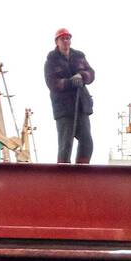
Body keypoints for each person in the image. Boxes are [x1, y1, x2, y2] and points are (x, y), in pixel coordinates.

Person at [44, 28, 95, 164]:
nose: (66, 41)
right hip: (64, 108)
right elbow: (52, 83)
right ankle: (63, 171)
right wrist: (70, 82)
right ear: (57, 42)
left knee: (87, 141)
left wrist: (82, 76)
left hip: (81, 105)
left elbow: (91, 73)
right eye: (63, 39)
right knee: (66, 144)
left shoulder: (79, 56)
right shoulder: (51, 61)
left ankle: (82, 169)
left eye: (68, 38)